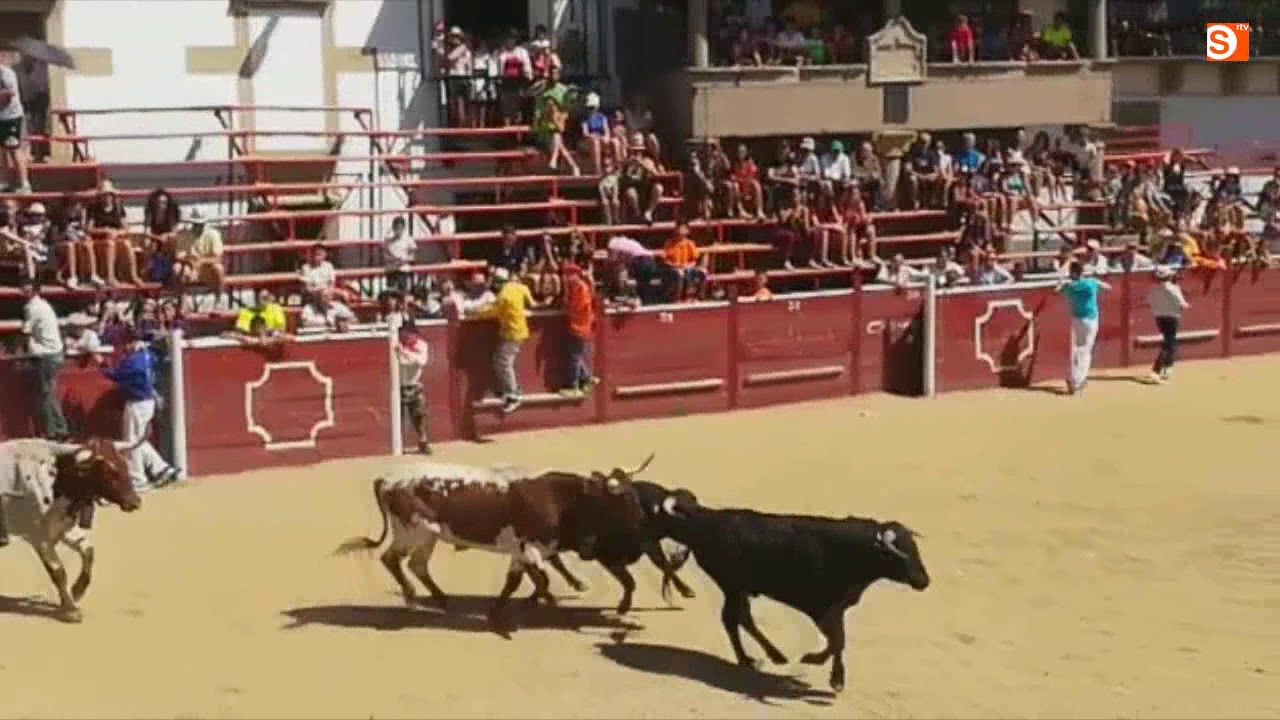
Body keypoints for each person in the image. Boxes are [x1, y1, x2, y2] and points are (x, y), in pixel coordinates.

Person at [101, 330, 180, 491]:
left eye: (127, 343)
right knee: (137, 440)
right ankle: (161, 469)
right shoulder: (148, 355)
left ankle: (138, 479)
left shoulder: (135, 360)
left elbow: (118, 375)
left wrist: (102, 366)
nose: (125, 347)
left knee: (131, 442)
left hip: (137, 403)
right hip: (146, 402)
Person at [476, 267, 537, 414]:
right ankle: (512, 389)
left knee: (503, 362)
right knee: (502, 361)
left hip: (511, 332)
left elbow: (492, 312)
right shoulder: (518, 287)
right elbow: (529, 298)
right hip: (519, 330)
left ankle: (513, 394)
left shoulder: (503, 296)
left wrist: (477, 311)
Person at [21, 278, 68, 438]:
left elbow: (26, 332)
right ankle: (59, 429)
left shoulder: (32, 308)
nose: (23, 291)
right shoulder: (44, 305)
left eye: (26, 289)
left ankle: (53, 431)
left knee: (45, 394)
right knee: (49, 394)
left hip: (46, 355)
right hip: (54, 353)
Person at [1057, 261, 1111, 395]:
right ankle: (1077, 380)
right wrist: (1095, 279)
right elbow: (1108, 287)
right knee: (1085, 350)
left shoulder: (1070, 286)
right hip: (1090, 319)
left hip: (1076, 319)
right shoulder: (1090, 283)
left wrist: (1063, 283)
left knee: (1079, 348)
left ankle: (1075, 378)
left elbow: (1057, 291)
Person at [395, 320, 432, 454]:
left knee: (419, 416)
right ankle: (399, 444)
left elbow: (420, 361)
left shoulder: (421, 345)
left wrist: (403, 352)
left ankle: (423, 441)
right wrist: (406, 354)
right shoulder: (396, 344)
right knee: (399, 418)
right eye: (404, 334)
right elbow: (406, 362)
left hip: (414, 384)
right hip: (398, 387)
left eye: (409, 334)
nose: (407, 337)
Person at [1147, 265, 1189, 383]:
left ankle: (1168, 367)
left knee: (1170, 342)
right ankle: (1156, 370)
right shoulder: (1173, 288)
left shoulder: (1153, 288)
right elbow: (1182, 303)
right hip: (1172, 317)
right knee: (1169, 342)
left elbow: (1149, 301)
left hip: (1159, 318)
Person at [560, 263, 596, 397]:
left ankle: (574, 385)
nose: (567, 278)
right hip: (579, 326)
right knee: (576, 356)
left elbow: (576, 308)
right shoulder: (578, 287)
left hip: (580, 327)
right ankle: (587, 378)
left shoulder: (581, 288)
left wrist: (566, 304)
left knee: (575, 357)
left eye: (569, 275)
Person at [0, 47, 31, 193]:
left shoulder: (6, 73)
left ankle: (24, 183)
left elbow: (10, 92)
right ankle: (4, 181)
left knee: (14, 149)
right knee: (2, 151)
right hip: (1, 117)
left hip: (11, 116)